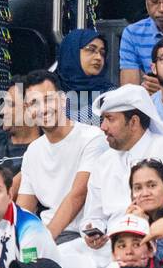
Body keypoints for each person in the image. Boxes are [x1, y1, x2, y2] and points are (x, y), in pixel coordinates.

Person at [82, 85, 163, 249]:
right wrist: (93, 230)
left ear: (134, 122)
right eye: (103, 120)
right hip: (111, 246)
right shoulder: (104, 162)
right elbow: (93, 216)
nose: (103, 127)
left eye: (110, 119)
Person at [18, 69, 108, 240]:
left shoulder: (93, 138)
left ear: (63, 100)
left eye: (48, 99)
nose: (43, 109)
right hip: (45, 232)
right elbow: (24, 208)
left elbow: (78, 194)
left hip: (82, 235)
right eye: (34, 103)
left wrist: (46, 241)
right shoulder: (33, 150)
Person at [55, 29, 113, 125]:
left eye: (102, 53)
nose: (98, 57)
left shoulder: (109, 94)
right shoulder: (51, 88)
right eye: (91, 50)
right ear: (72, 51)